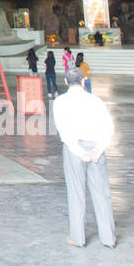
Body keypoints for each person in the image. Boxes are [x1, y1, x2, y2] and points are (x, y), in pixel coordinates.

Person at [52, 68, 116, 248]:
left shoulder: (60, 102)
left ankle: (78, 238)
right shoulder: (95, 101)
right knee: (102, 194)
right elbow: (107, 127)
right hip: (96, 149)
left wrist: (80, 152)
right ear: (83, 81)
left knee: (75, 193)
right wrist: (98, 149)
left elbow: (63, 131)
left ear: (65, 82)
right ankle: (108, 239)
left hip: (74, 150)